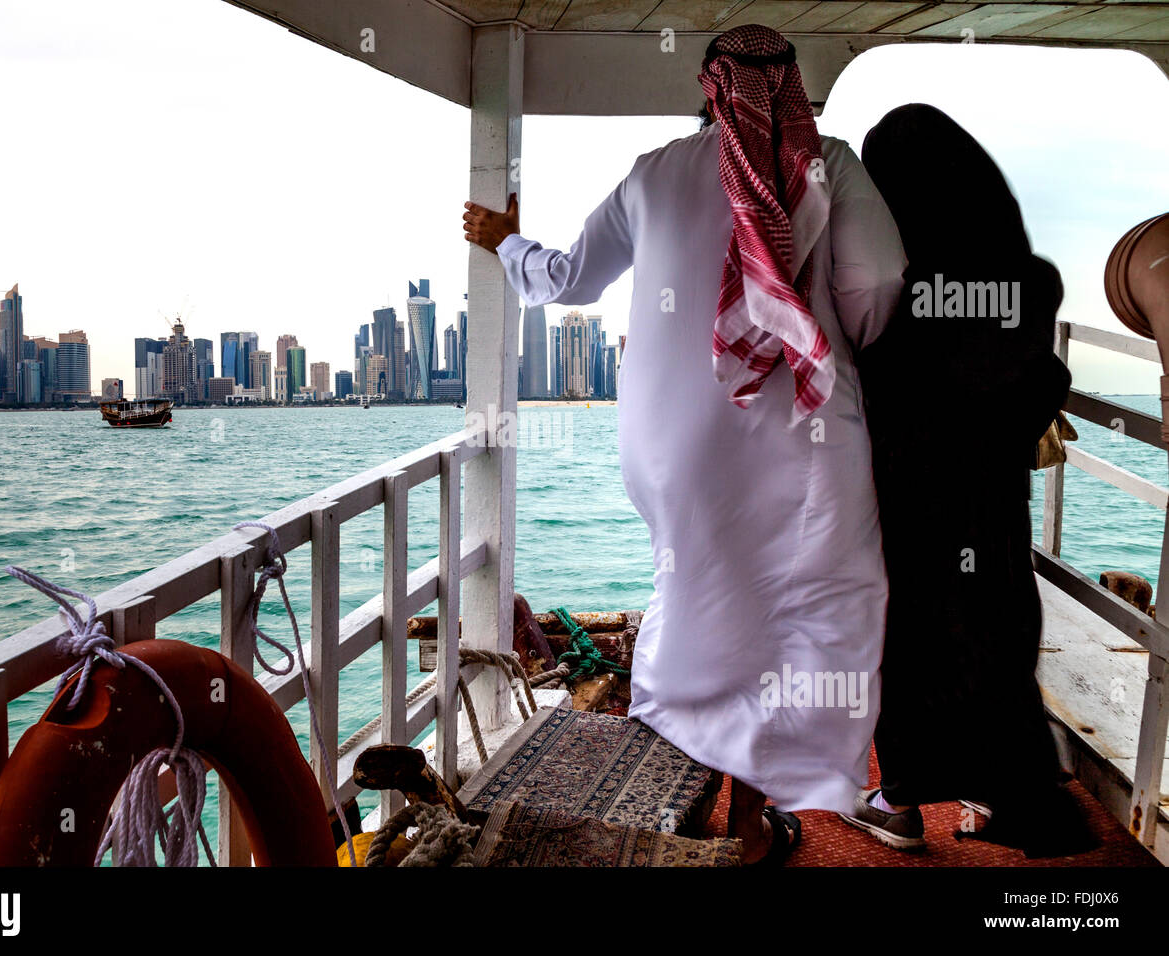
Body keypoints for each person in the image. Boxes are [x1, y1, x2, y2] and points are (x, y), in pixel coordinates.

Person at [463, 24, 905, 864]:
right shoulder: (829, 164)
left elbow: (568, 279)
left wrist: (505, 240)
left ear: (710, 90)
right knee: (810, 618)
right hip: (806, 434)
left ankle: (703, 822)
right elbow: (879, 281)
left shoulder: (653, 173)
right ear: (792, 90)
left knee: (701, 615)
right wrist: (829, 343)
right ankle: (771, 807)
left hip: (674, 446)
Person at [840, 103, 1096, 857]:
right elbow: (1037, 379)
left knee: (911, 643)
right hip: (988, 498)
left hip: (910, 499)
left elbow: (873, 385)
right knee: (996, 632)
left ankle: (897, 801)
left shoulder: (898, 289)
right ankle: (1008, 792)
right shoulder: (1031, 283)